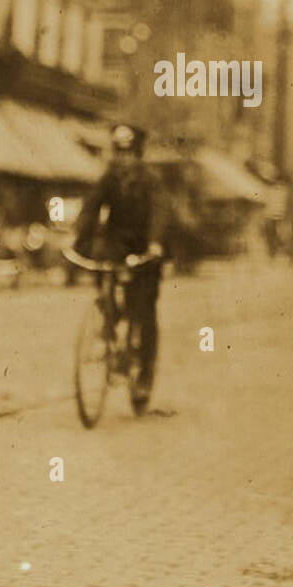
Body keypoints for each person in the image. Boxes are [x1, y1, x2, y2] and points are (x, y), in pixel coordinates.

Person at [72, 123, 168, 393]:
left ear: (138, 155)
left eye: (129, 154)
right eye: (119, 153)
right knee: (104, 278)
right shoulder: (109, 178)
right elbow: (91, 206)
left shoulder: (151, 180)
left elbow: (161, 211)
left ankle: (144, 373)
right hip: (116, 244)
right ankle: (109, 329)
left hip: (145, 248)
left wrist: (155, 242)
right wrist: (79, 238)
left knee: (144, 310)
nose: (123, 160)